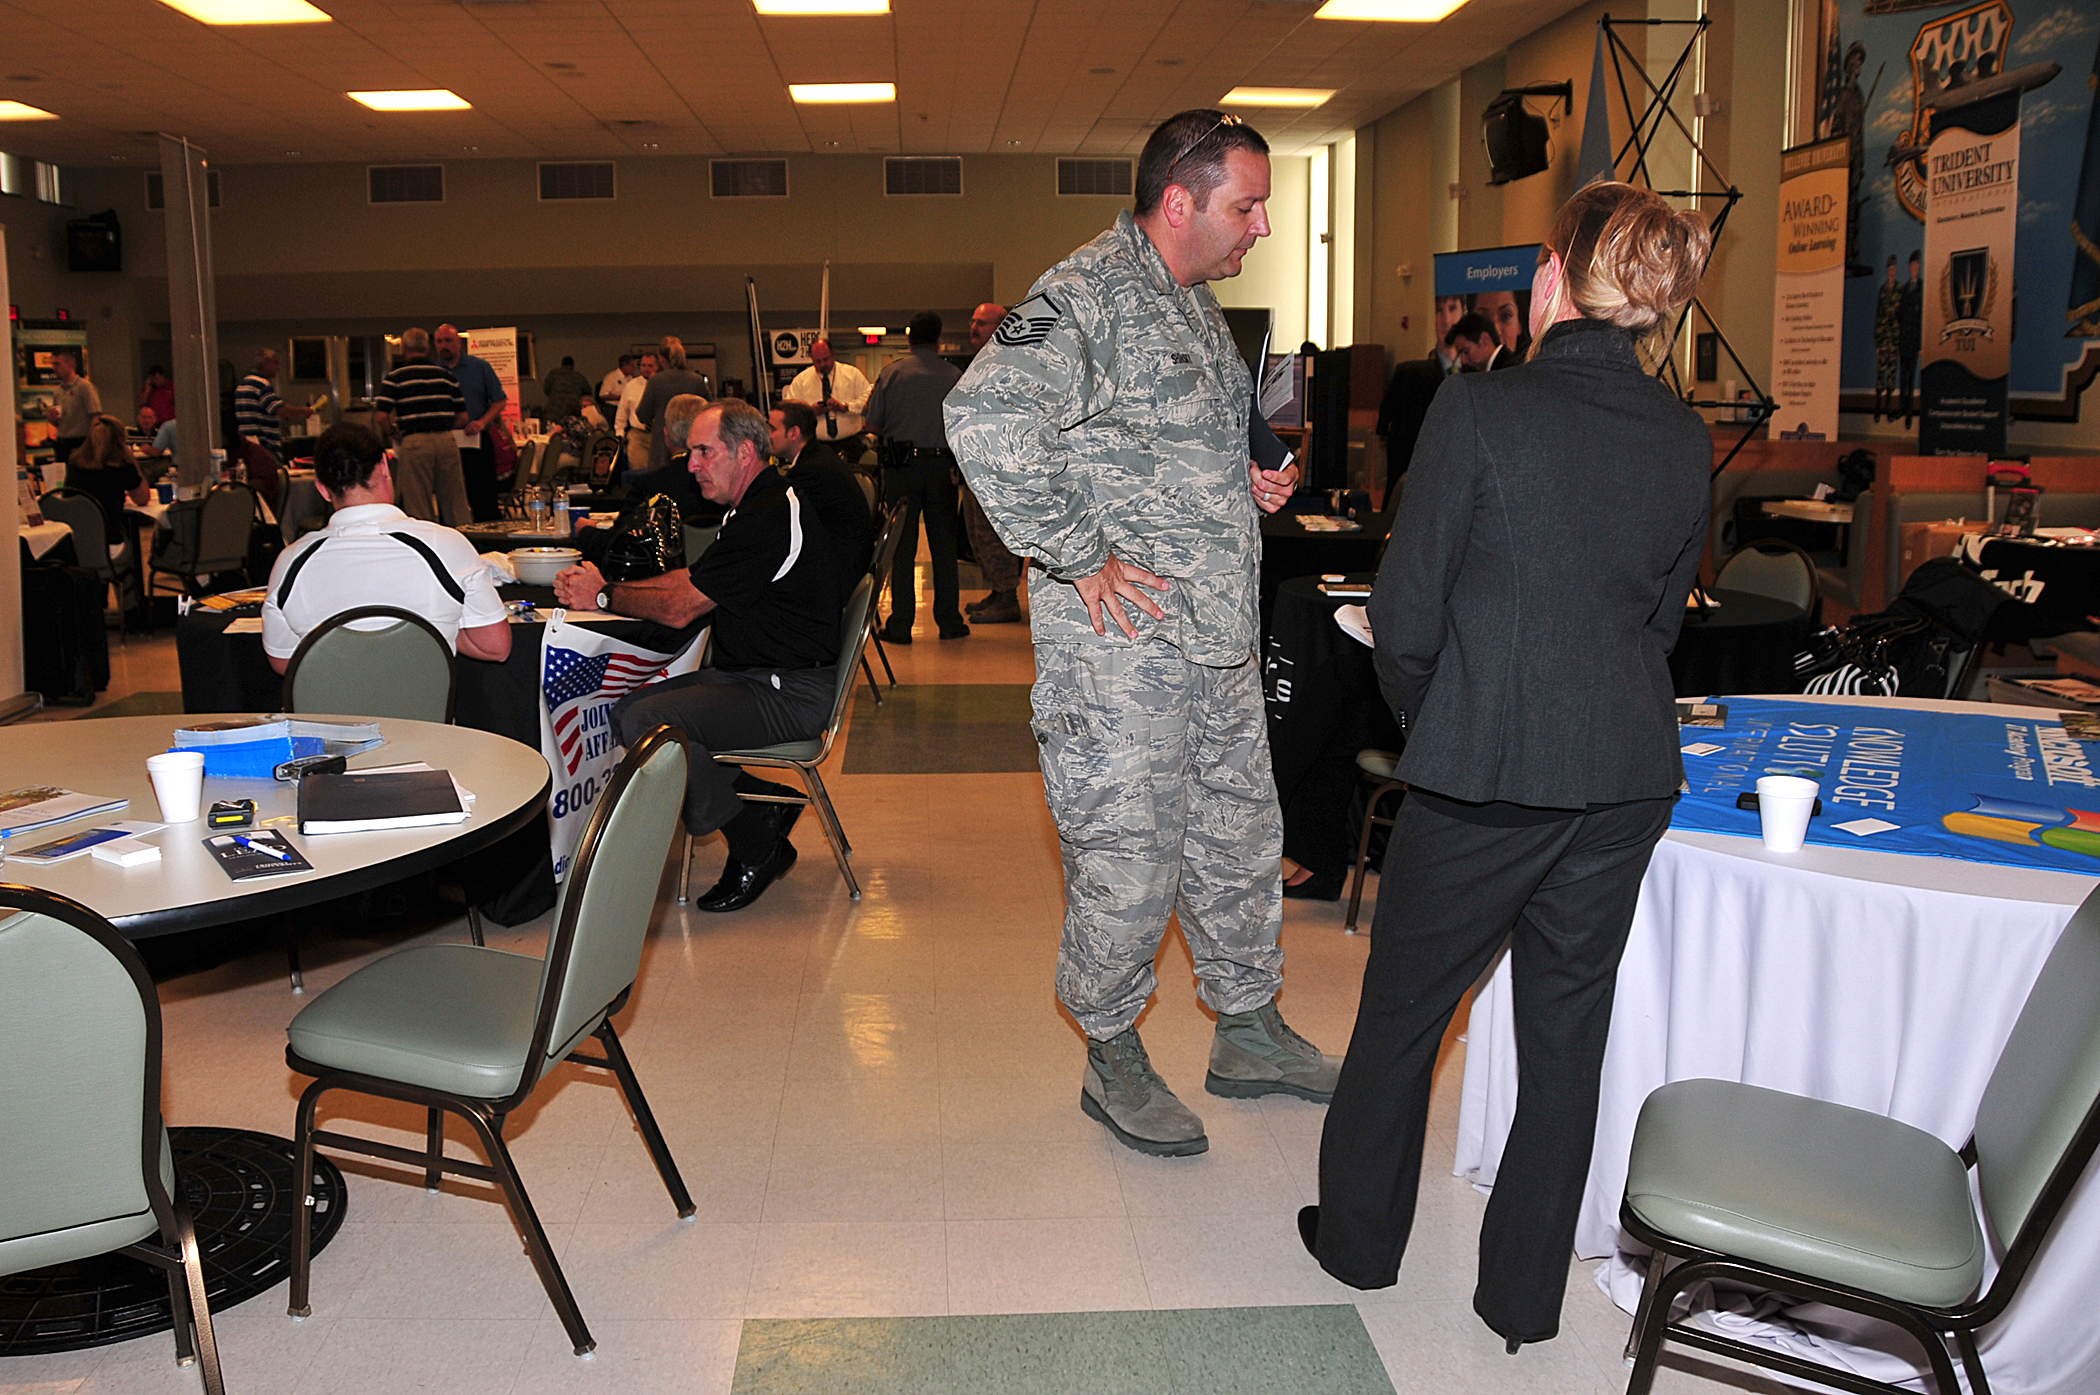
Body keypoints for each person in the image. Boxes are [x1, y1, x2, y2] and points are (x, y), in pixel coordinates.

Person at [1300, 181, 1713, 1353]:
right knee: (1566, 1040)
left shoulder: (1483, 413)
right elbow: (1661, 630)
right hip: (1628, 773)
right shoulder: (1682, 436)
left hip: (1488, 774)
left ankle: (1358, 1246)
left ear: (1556, 276)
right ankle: (1520, 1301)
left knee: (1403, 1018)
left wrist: (1450, 722)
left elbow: (1405, 614)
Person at [946, 108, 1334, 1159]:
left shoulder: (1193, 303)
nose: (1260, 225)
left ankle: (1247, 1028)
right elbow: (983, 417)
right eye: (1246, 205)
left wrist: (1253, 477)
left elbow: (1172, 440)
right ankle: (1112, 1050)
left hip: (1213, 636)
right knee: (1128, 854)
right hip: (1121, 657)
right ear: (1180, 202)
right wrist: (1076, 550)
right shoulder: (1085, 296)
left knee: (1238, 841)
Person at [552, 400, 845, 914]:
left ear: (745, 451)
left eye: (704, 452)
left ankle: (757, 844)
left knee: (648, 720)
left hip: (788, 691)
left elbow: (683, 608)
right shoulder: (758, 503)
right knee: (626, 710)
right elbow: (692, 582)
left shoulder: (769, 516)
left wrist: (602, 596)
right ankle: (760, 804)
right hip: (757, 675)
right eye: (691, 453)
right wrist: (610, 584)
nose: (691, 465)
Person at [260, 422, 510, 675]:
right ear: (384, 467)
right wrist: (438, 631)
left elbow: (284, 662)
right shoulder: (447, 545)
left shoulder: (290, 562)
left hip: (331, 713)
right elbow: (495, 647)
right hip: (420, 712)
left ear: (322, 488)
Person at [867, 312, 967, 643]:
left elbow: (873, 424)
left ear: (910, 338)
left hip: (901, 469)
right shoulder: (955, 376)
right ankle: (950, 622)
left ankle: (901, 625)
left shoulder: (892, 374)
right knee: (944, 547)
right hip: (942, 469)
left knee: (902, 548)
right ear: (938, 338)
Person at [957, 302, 1026, 625]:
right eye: (973, 321)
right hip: (975, 461)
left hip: (997, 465)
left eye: (982, 323)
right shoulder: (981, 362)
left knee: (992, 533)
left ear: (1001, 327)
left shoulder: (1010, 363)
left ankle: (1008, 597)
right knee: (976, 532)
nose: (974, 328)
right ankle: (999, 592)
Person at [373, 327, 471, 526]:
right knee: (455, 501)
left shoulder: (395, 377)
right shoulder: (446, 376)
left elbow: (382, 416)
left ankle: (425, 547)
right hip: (446, 440)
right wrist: (442, 424)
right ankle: (464, 540)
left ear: (404, 348)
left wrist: (393, 433)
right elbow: (463, 417)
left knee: (418, 503)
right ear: (428, 348)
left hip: (414, 441)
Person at [770, 400, 874, 576]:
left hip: (838, 572)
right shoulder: (819, 456)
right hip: (845, 560)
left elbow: (780, 522)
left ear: (794, 433)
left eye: (772, 429)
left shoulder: (811, 470)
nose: (768, 435)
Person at [434, 324, 508, 522]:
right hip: (446, 440)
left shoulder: (479, 367)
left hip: (476, 438)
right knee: (448, 497)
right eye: (439, 341)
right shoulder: (433, 371)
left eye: (448, 340)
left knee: (483, 497)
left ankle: (490, 543)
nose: (444, 346)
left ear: (458, 342)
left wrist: (483, 422)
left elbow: (500, 400)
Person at [1374, 331, 1450, 500]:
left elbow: (1388, 403)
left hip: (1400, 440)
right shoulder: (1448, 378)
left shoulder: (1405, 369)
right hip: (1430, 441)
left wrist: (1382, 431)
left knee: (1393, 487)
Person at [781, 337, 872, 456]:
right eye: (817, 361)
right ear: (811, 359)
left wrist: (847, 407)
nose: (823, 364)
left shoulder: (852, 374)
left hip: (851, 443)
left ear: (833, 354)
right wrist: (810, 413)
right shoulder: (801, 381)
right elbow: (788, 411)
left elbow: (869, 399)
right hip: (817, 445)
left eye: (826, 359)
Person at [634, 337, 709, 475]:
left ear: (661, 359)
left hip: (662, 448)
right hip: (693, 444)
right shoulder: (696, 380)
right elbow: (709, 410)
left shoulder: (656, 381)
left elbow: (643, 415)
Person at [65, 413, 149, 527]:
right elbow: (142, 499)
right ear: (120, 442)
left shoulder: (75, 463)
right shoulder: (121, 468)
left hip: (77, 534)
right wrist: (132, 461)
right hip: (109, 534)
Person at [234, 349, 313, 465]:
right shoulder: (261, 384)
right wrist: (303, 411)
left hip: (247, 442)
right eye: (275, 363)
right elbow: (279, 409)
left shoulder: (242, 385)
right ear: (265, 363)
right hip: (264, 444)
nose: (279, 367)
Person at [44, 348, 100, 465]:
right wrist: (52, 419)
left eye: (57, 364)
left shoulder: (84, 387)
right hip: (62, 442)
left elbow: (96, 416)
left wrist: (91, 443)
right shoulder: (58, 391)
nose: (54, 368)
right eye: (52, 364)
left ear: (71, 364)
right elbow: (59, 422)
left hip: (80, 442)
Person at [617, 350, 659, 475]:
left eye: (650, 366)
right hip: (638, 435)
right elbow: (622, 412)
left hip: (657, 435)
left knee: (658, 472)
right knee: (638, 472)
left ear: (657, 366)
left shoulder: (661, 384)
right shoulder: (631, 386)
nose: (646, 369)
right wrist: (620, 433)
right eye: (644, 365)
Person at [1899, 250, 1924, 428]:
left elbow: (1922, 317)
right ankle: (1902, 407)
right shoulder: (1906, 288)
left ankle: (1909, 412)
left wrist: (1921, 343)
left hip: (1914, 340)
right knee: (1903, 376)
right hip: (1904, 339)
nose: (1914, 268)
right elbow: (1901, 314)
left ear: (1919, 267)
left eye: (1916, 265)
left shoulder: (1922, 287)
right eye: (1912, 265)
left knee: (1911, 376)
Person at [542, 355, 592, 423]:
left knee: (551, 428)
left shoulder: (553, 374)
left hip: (553, 408)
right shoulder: (578, 377)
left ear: (562, 364)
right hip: (571, 409)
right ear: (572, 365)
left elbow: (546, 389)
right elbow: (588, 392)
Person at [598, 352, 636, 418]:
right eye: (631, 365)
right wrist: (620, 397)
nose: (633, 368)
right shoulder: (611, 377)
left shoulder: (631, 378)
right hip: (613, 409)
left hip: (627, 409)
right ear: (625, 365)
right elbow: (603, 394)